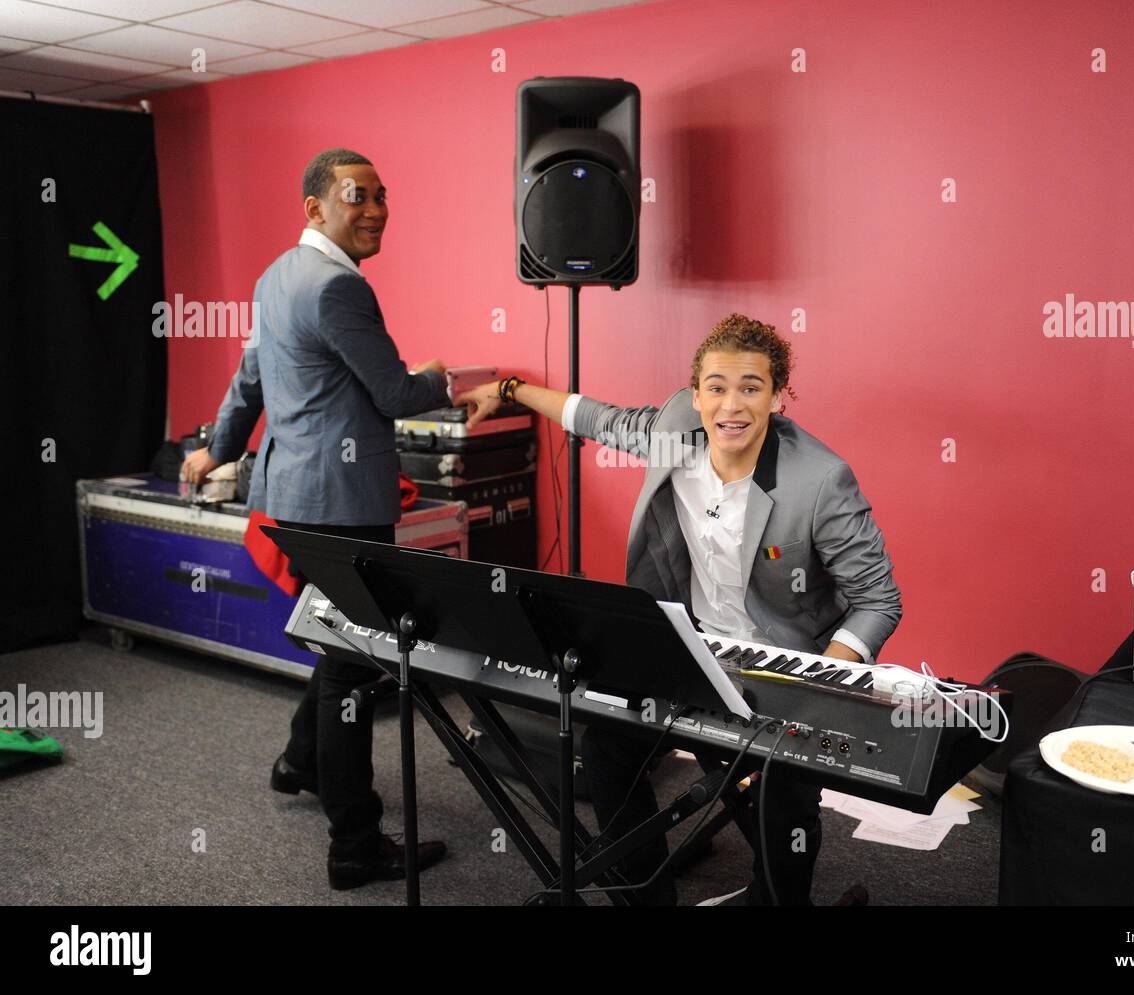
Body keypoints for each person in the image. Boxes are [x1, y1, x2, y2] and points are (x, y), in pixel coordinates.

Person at [457, 313, 902, 904]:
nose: (732, 406)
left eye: (751, 387)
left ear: (777, 396)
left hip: (780, 664)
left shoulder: (819, 480)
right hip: (687, 645)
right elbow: (594, 417)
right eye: (716, 387)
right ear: (695, 395)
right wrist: (510, 388)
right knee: (607, 746)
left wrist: (818, 683)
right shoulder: (674, 430)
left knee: (775, 798)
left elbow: (878, 600)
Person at [182, 148, 452, 890]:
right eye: (356, 196)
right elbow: (396, 392)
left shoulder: (276, 277)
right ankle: (354, 843)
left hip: (292, 502)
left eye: (381, 196)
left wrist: (217, 448)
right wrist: (449, 380)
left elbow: (248, 377)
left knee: (338, 647)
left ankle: (300, 761)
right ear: (315, 208)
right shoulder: (338, 288)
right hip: (343, 507)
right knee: (353, 668)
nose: (375, 209)